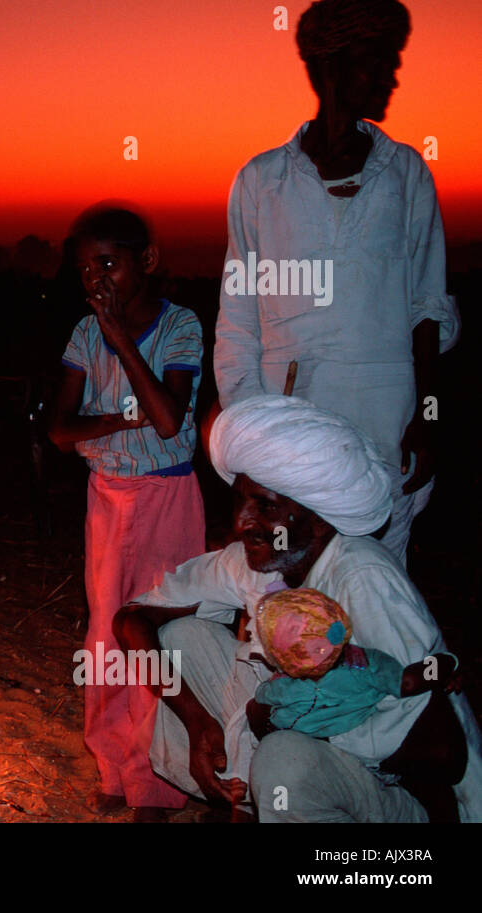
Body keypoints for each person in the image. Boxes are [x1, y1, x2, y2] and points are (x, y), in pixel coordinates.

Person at [114, 395, 482, 822]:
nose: (241, 523)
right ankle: (255, 796)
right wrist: (198, 723)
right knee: (180, 639)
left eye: (265, 507)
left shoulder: (362, 577)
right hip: (303, 731)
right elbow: (132, 620)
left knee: (283, 759)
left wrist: (292, 724)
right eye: (240, 502)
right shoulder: (261, 559)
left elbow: (441, 751)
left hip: (399, 788)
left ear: (320, 520)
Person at [214, 0, 460, 565]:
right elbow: (239, 317)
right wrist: (251, 427)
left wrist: (423, 421)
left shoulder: (405, 174)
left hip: (385, 416)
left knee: (375, 574)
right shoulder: (260, 181)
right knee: (286, 583)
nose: (390, 77)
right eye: (375, 62)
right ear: (329, 67)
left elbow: (427, 305)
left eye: (391, 62)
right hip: (292, 420)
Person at [47, 206, 206, 821]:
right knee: (105, 633)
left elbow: (169, 419)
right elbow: (61, 430)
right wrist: (119, 418)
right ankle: (115, 764)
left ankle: (158, 782)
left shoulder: (180, 325)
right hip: (106, 495)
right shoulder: (83, 334)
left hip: (166, 496)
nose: (96, 280)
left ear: (147, 262)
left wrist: (120, 343)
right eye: (86, 268)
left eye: (108, 263)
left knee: (156, 634)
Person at [243, 587, 466, 821]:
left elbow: (257, 708)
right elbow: (408, 682)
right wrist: (446, 661)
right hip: (367, 746)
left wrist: (264, 721)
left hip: (325, 751)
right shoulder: (363, 663)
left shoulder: (281, 687)